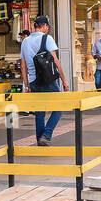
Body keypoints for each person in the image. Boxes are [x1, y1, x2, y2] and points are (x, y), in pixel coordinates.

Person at [19, 15, 69, 146]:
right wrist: (64, 80)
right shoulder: (48, 38)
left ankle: (40, 140)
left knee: (39, 112)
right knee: (59, 106)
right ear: (44, 26)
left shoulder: (25, 41)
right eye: (48, 26)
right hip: (48, 80)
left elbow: (23, 66)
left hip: (33, 81)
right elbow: (56, 62)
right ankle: (46, 135)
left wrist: (27, 84)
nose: (48, 29)